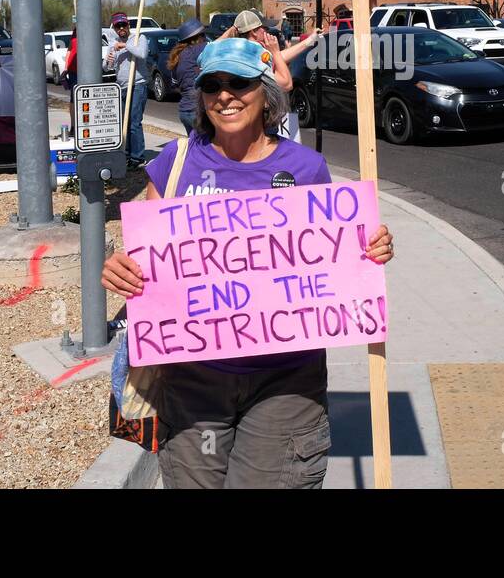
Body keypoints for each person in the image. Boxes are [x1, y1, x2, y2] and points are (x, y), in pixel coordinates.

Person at [101, 37, 394, 489]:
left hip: (286, 383)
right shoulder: (173, 165)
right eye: (212, 85)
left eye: (239, 83)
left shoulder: (305, 168)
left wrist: (372, 249)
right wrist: (119, 270)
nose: (224, 95)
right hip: (193, 378)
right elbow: (146, 265)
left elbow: (341, 253)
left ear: (265, 92)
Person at [218, 9, 319, 139]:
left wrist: (308, 41)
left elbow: (280, 58)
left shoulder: (242, 50)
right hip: (262, 121)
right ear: (254, 32)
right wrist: (275, 51)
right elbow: (286, 83)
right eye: (264, 28)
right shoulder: (254, 55)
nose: (267, 32)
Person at [109, 12, 150, 169]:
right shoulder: (114, 43)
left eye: (123, 25)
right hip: (122, 86)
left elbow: (142, 53)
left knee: (134, 122)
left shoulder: (139, 38)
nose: (121, 28)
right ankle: (125, 154)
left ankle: (138, 158)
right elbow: (108, 67)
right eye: (117, 26)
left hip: (138, 84)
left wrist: (125, 46)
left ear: (128, 25)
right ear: (114, 28)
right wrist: (109, 61)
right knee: (123, 124)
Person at [168, 18, 206, 135]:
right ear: (197, 37)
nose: (205, 38)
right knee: (206, 148)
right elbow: (217, 44)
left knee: (194, 146)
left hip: (184, 111)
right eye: (203, 35)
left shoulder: (177, 56)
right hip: (197, 112)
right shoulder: (197, 49)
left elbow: (175, 85)